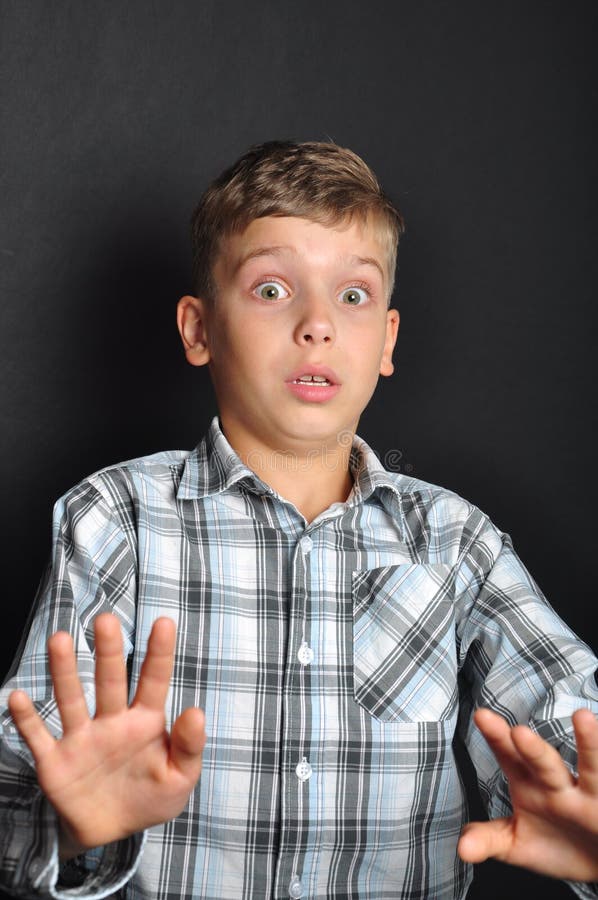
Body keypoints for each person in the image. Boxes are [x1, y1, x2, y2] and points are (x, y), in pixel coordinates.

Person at [0, 140, 597, 900]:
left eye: (353, 296)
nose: (318, 324)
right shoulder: (114, 520)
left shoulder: (457, 544)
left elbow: (566, 712)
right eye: (273, 289)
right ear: (198, 329)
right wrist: (73, 827)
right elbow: (22, 784)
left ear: (385, 340)